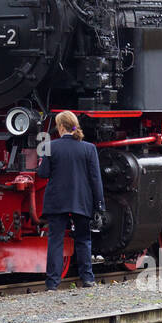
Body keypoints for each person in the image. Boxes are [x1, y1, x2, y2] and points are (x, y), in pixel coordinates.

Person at [37, 110, 104, 290]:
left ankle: (52, 283)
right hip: (81, 200)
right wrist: (100, 206)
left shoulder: (51, 146)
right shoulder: (89, 148)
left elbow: (42, 174)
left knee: (55, 241)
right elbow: (95, 179)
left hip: (56, 201)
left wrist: (41, 159)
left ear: (60, 126)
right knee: (83, 239)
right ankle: (87, 279)